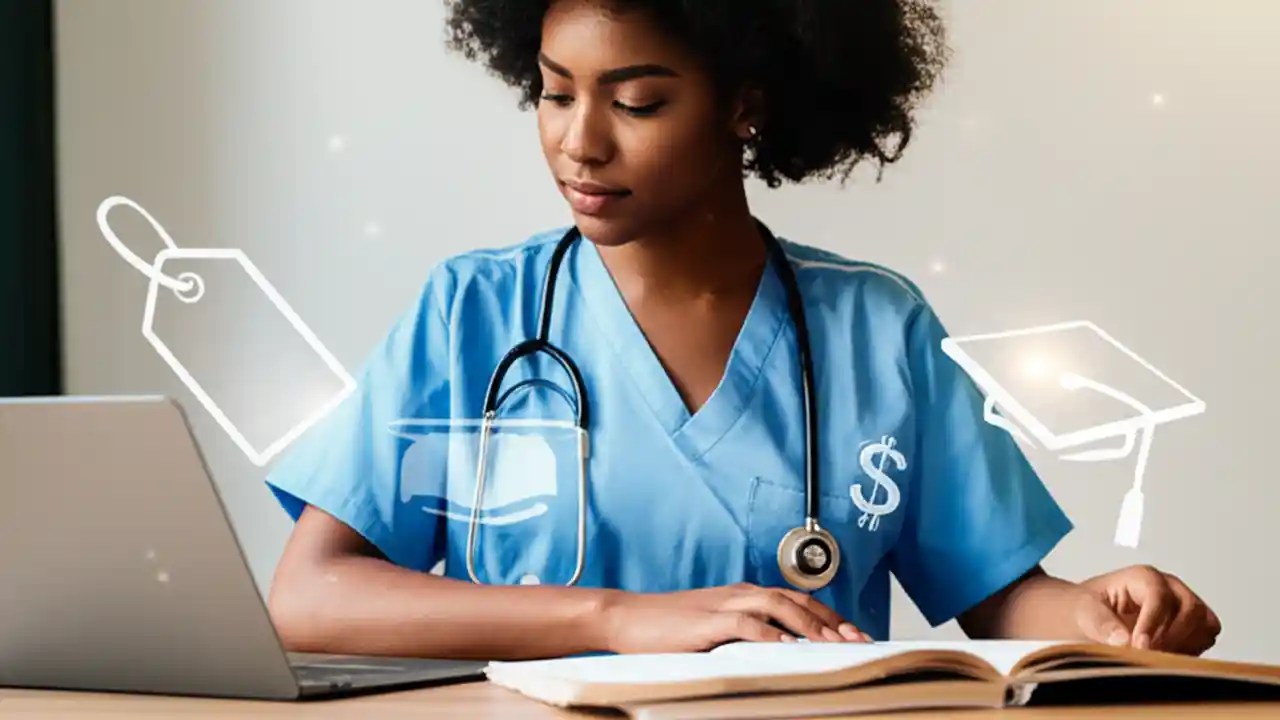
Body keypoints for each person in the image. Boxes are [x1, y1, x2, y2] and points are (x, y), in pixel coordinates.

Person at [263, 0, 1221, 660]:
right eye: (556, 92)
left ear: (745, 106)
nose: (579, 141)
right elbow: (310, 596)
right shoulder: (475, 315)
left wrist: (1094, 612)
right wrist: (618, 620)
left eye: (636, 102)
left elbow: (1001, 596)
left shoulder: (875, 329)